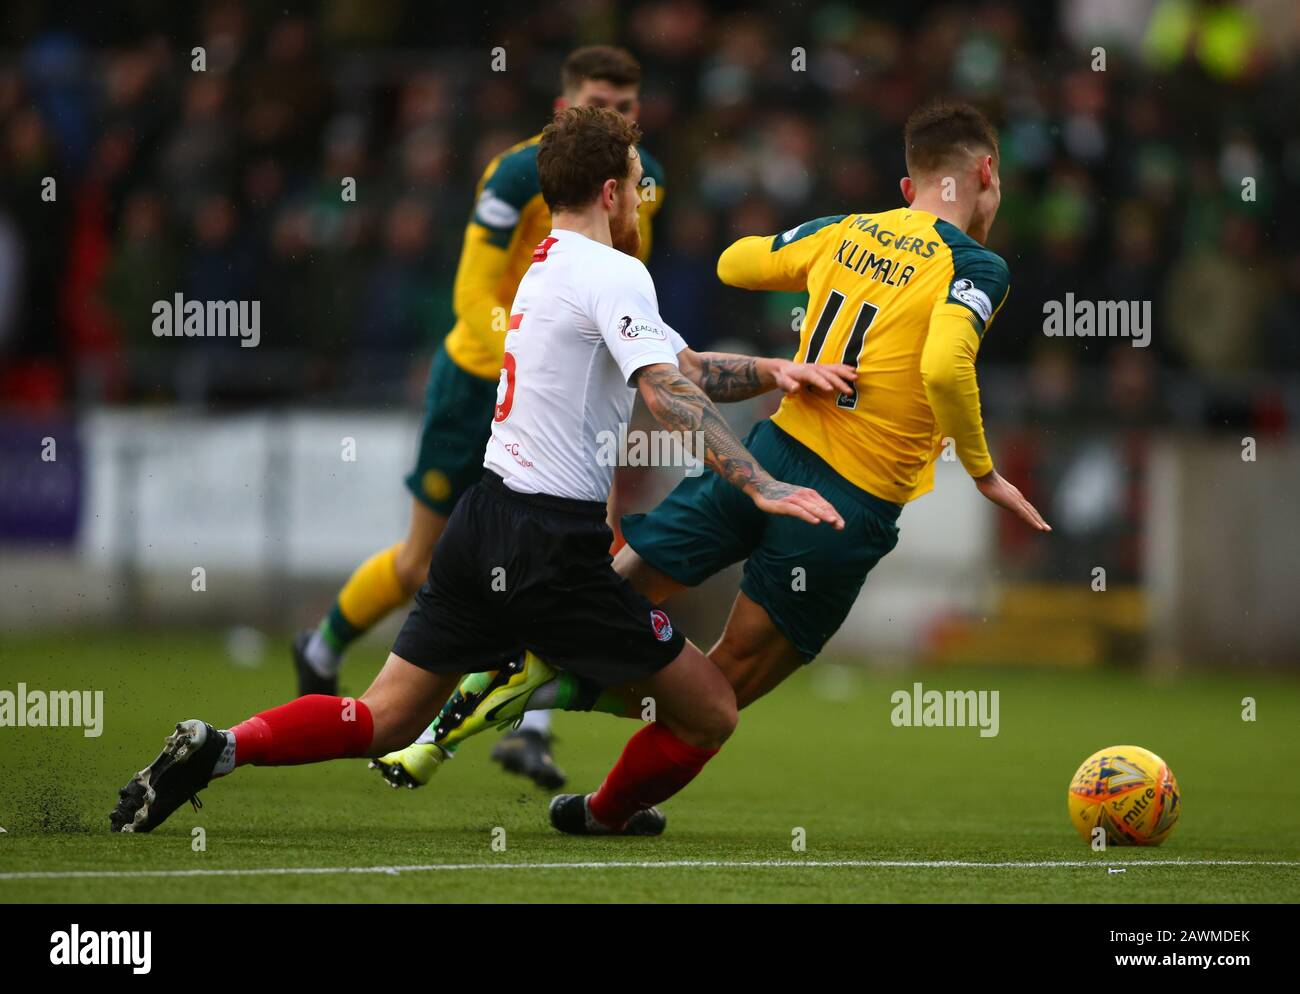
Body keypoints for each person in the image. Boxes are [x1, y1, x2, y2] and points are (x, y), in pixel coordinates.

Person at [109, 106, 851, 837]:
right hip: (552, 549)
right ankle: (581, 778)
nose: (640, 198)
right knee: (712, 707)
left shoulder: (544, 268)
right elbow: (665, 389)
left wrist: (776, 370)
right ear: (610, 192)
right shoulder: (616, 271)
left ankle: (222, 747)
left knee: (381, 716)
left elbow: (685, 364)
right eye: (634, 183)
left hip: (483, 521)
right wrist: (760, 481)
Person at [372, 102, 1051, 820]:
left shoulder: (851, 230)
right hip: (840, 506)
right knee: (716, 690)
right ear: (985, 173)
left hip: (765, 448)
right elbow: (946, 369)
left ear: (909, 188)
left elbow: (737, 262)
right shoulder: (977, 265)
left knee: (612, 606)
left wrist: (831, 267)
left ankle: (525, 675)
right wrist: (983, 471)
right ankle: (600, 807)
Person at [292, 46, 666, 790]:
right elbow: (472, 293)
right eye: (602, 104)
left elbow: (628, 279)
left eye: (627, 108)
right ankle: (324, 644)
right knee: (422, 564)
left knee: (568, 546)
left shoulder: (640, 180)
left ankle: (528, 731)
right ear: (566, 105)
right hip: (476, 383)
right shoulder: (513, 173)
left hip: (558, 396)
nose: (618, 120)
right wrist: (534, 359)